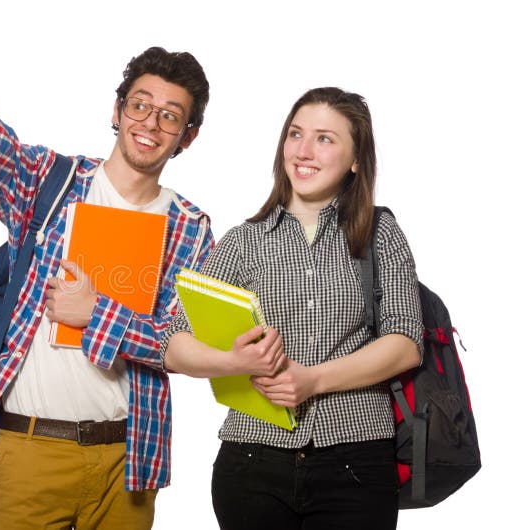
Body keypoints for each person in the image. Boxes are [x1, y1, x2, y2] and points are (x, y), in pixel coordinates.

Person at [0, 38, 213, 530]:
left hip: (129, 460)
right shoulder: (54, 183)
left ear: (187, 136)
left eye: (170, 116)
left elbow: (177, 344)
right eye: (140, 105)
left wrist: (97, 315)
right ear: (118, 110)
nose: (150, 124)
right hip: (30, 448)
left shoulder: (190, 228)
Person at [161, 86, 423, 529]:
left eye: (325, 138)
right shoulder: (243, 242)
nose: (303, 150)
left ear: (356, 159)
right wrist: (231, 360)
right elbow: (174, 343)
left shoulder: (379, 232)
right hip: (251, 462)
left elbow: (405, 343)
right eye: (295, 134)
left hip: (356, 460)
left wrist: (314, 380)